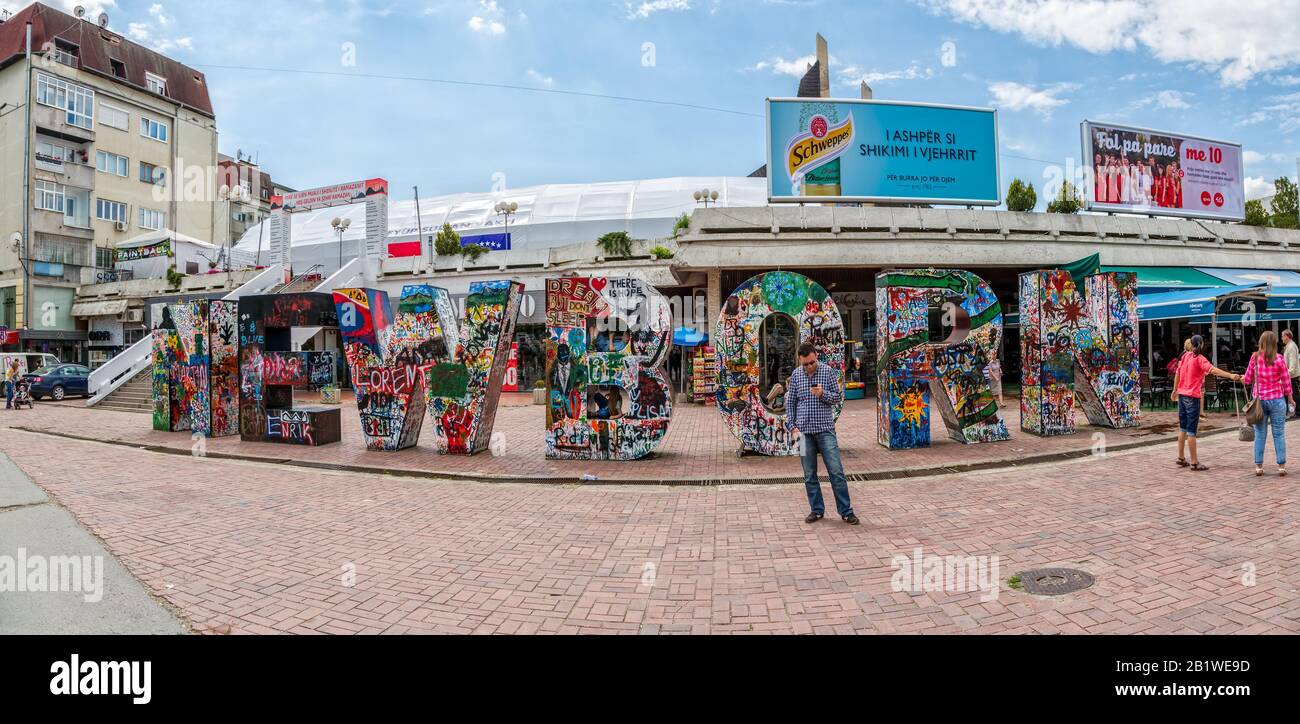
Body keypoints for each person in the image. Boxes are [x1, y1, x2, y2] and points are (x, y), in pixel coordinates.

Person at [785, 343, 857, 526]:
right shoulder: (796, 375)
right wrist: (792, 426)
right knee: (809, 474)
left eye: (811, 362)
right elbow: (790, 402)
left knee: (836, 471)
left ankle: (846, 511)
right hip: (802, 433)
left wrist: (823, 393)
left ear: (816, 356)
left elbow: (837, 398)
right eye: (805, 364)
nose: (809, 367)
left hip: (825, 429)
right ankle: (816, 510)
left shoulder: (827, 372)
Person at [1172, 335, 1241, 472]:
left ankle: (1180, 457)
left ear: (1191, 344)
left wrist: (1175, 390)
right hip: (1192, 397)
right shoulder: (1200, 359)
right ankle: (1194, 462)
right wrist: (1230, 375)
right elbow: (1213, 370)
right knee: (1191, 431)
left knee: (1183, 428)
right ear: (1202, 344)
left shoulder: (1185, 356)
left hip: (1182, 395)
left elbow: (1177, 374)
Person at [1242, 331, 1293, 477]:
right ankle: (1281, 466)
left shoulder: (1255, 358)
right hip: (1277, 399)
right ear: (1274, 342)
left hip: (1260, 401)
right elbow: (1286, 381)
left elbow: (1247, 379)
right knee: (1279, 433)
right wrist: (1290, 398)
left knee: (1260, 434)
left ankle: (1259, 466)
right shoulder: (1279, 358)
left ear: (1261, 342)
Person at [1284, 329, 1300, 419]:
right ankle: (1294, 411)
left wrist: (1287, 374)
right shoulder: (1289, 346)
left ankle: (1297, 412)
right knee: (1293, 393)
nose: (1282, 338)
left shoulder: (1291, 347)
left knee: (1294, 394)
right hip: (1291, 374)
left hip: (1292, 375)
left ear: (1287, 336)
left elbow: (1292, 363)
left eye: (1283, 336)